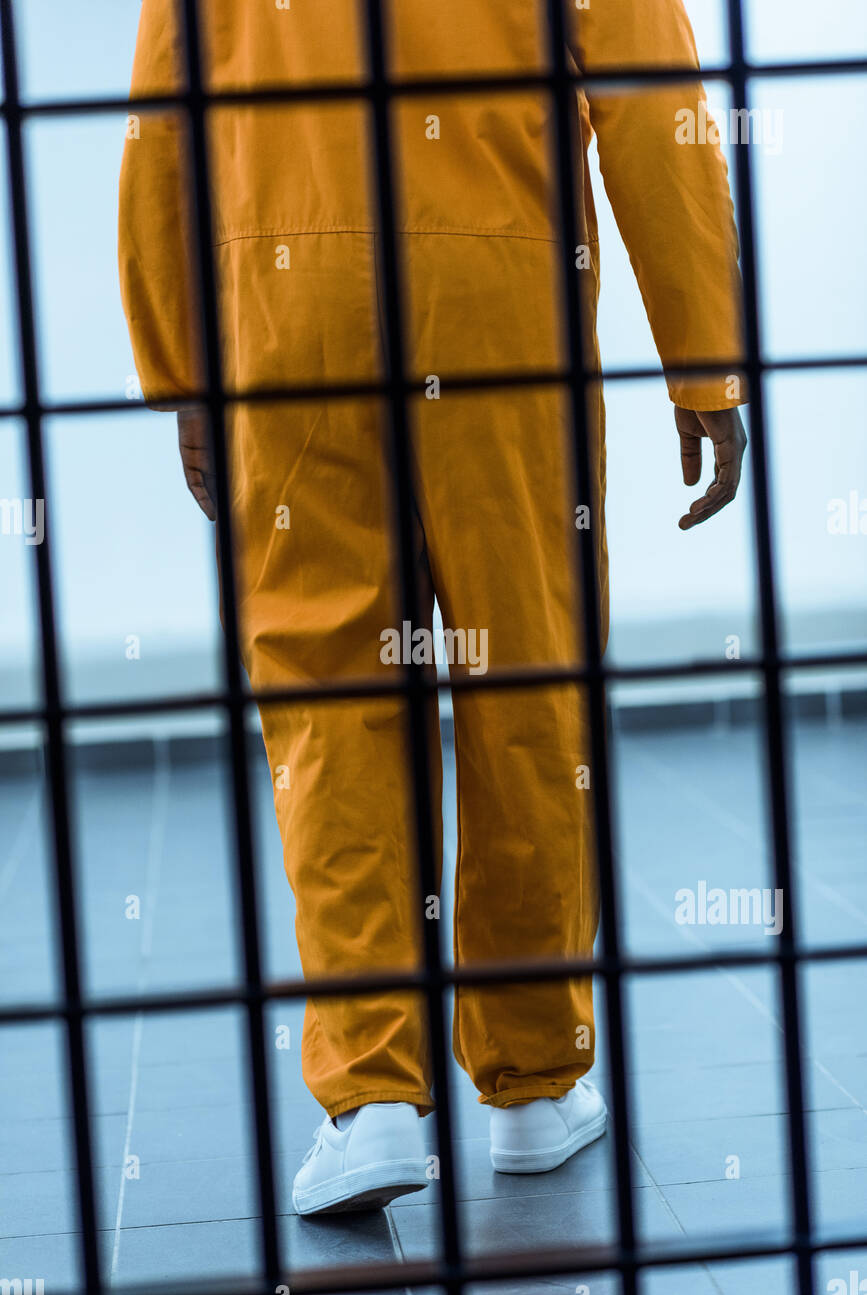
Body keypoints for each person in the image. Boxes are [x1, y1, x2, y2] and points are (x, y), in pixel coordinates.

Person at [119, 0, 748, 1216]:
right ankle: (529, 1085)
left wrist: (179, 363)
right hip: (499, 284)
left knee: (327, 694)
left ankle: (370, 1101)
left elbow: (160, 116)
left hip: (286, 294)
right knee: (527, 674)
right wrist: (704, 357)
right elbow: (647, 90)